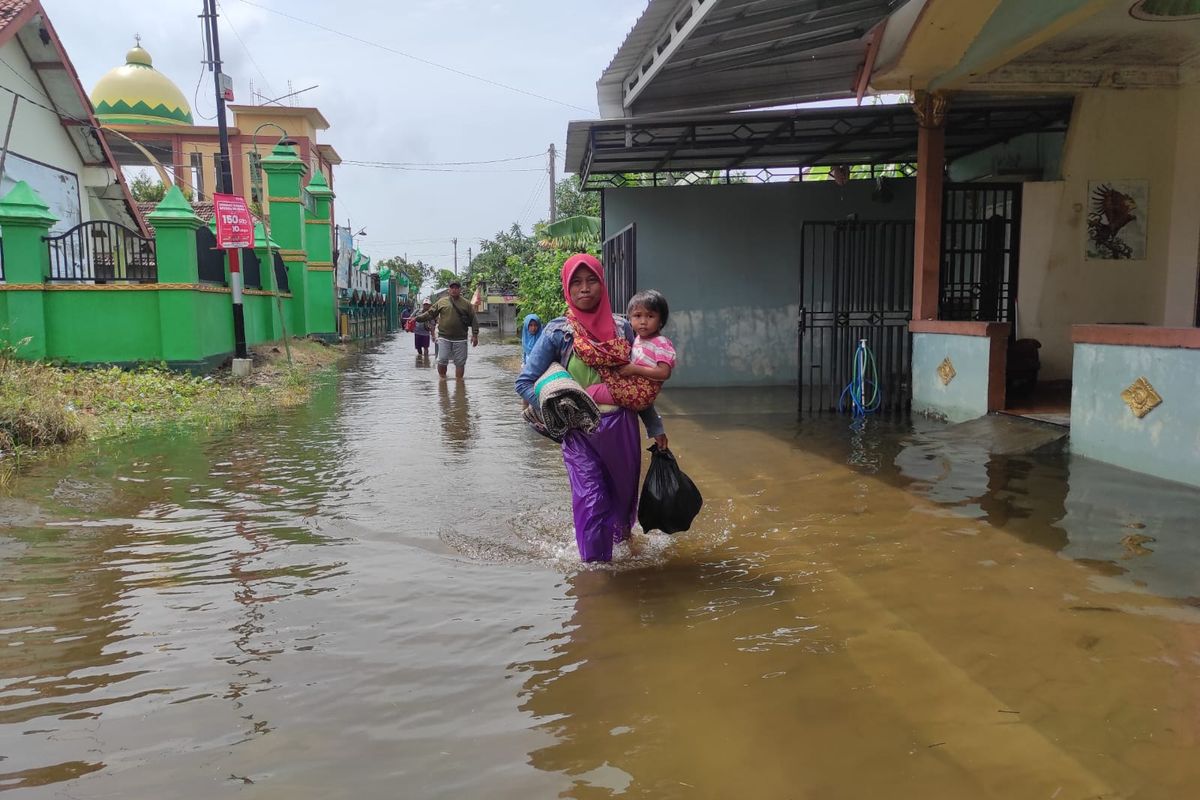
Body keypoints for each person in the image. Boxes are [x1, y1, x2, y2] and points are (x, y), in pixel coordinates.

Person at [516, 254, 668, 563]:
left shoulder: (624, 329)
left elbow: (639, 384)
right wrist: (555, 412)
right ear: (567, 289)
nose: (584, 289)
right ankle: (595, 573)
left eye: (591, 281)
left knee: (623, 503)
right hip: (578, 431)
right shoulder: (556, 333)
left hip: (622, 427)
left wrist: (655, 426)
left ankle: (619, 554)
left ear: (603, 284)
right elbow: (525, 382)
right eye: (576, 283)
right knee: (591, 500)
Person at [587, 289, 675, 409]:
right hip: (633, 386)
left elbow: (664, 373)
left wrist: (635, 369)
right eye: (637, 316)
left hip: (641, 392)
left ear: (661, 320)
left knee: (590, 392)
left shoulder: (661, 343)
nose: (643, 322)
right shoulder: (638, 338)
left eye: (650, 316)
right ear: (630, 319)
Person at [413, 281, 479, 380]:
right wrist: (417, 318)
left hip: (461, 338)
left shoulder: (466, 304)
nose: (454, 290)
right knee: (442, 360)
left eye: (456, 288)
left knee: (460, 362)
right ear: (449, 290)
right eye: (452, 288)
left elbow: (474, 319)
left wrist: (475, 335)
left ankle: (459, 383)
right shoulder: (441, 302)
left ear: (460, 290)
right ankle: (442, 380)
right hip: (444, 337)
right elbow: (430, 313)